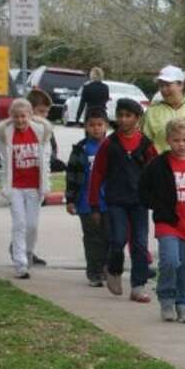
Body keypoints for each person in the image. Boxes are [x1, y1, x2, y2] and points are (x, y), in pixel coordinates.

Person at [139, 117, 185, 323]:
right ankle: (166, 299)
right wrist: (157, 204)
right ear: (168, 140)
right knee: (170, 262)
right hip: (168, 222)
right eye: (176, 140)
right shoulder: (159, 164)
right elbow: (143, 187)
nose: (181, 144)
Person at [89, 98, 156, 302]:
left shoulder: (146, 144)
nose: (123, 120)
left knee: (140, 244)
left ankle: (138, 286)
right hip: (116, 201)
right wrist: (94, 205)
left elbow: (155, 172)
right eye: (120, 115)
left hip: (139, 202)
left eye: (128, 116)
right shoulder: (109, 144)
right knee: (118, 239)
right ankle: (114, 271)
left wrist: (157, 197)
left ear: (137, 118)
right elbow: (97, 174)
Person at [0, 98, 53, 279]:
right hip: (16, 187)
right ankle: (20, 263)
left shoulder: (41, 132)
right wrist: (5, 186)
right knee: (19, 224)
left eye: (23, 116)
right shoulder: (6, 134)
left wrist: (45, 184)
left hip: (34, 187)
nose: (20, 120)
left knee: (32, 225)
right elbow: (4, 163)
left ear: (30, 115)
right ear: (11, 116)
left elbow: (46, 160)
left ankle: (27, 252)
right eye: (16, 116)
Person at [65, 107, 111, 287]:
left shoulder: (112, 146)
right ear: (86, 126)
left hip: (109, 201)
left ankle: (107, 267)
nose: (96, 128)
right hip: (86, 202)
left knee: (110, 236)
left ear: (106, 126)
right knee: (92, 238)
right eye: (92, 125)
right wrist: (70, 200)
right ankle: (94, 272)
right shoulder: (81, 149)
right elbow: (72, 176)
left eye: (100, 125)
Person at [28, 87, 66, 174]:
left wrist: (51, 159)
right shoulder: (22, 128)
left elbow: (53, 148)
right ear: (29, 109)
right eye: (41, 111)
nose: (45, 115)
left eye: (47, 112)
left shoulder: (47, 128)